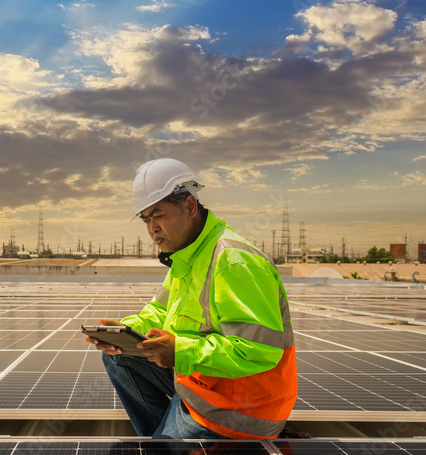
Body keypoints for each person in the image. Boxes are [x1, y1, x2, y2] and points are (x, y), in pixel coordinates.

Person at [86, 158, 297, 440]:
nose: (152, 229)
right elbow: (160, 312)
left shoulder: (233, 261)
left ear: (189, 206)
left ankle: (170, 451)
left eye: (158, 215)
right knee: (119, 358)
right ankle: (165, 442)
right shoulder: (187, 257)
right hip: (202, 384)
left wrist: (180, 352)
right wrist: (123, 331)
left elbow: (258, 350)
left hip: (242, 409)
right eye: (146, 219)